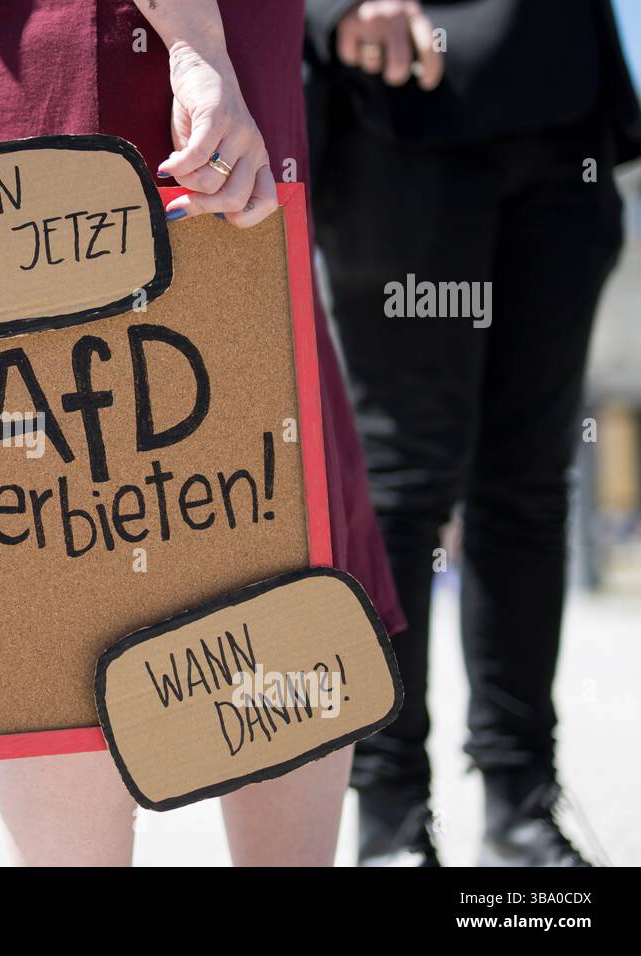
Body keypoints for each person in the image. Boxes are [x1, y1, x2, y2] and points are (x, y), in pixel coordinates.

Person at [0, 0, 404, 866]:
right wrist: (199, 52)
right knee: (87, 516)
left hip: (103, 57)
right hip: (125, 54)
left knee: (192, 491)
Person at [305, 0, 641, 865]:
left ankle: (520, 805)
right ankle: (387, 815)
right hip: (397, 96)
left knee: (528, 482)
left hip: (564, 102)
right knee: (401, 486)